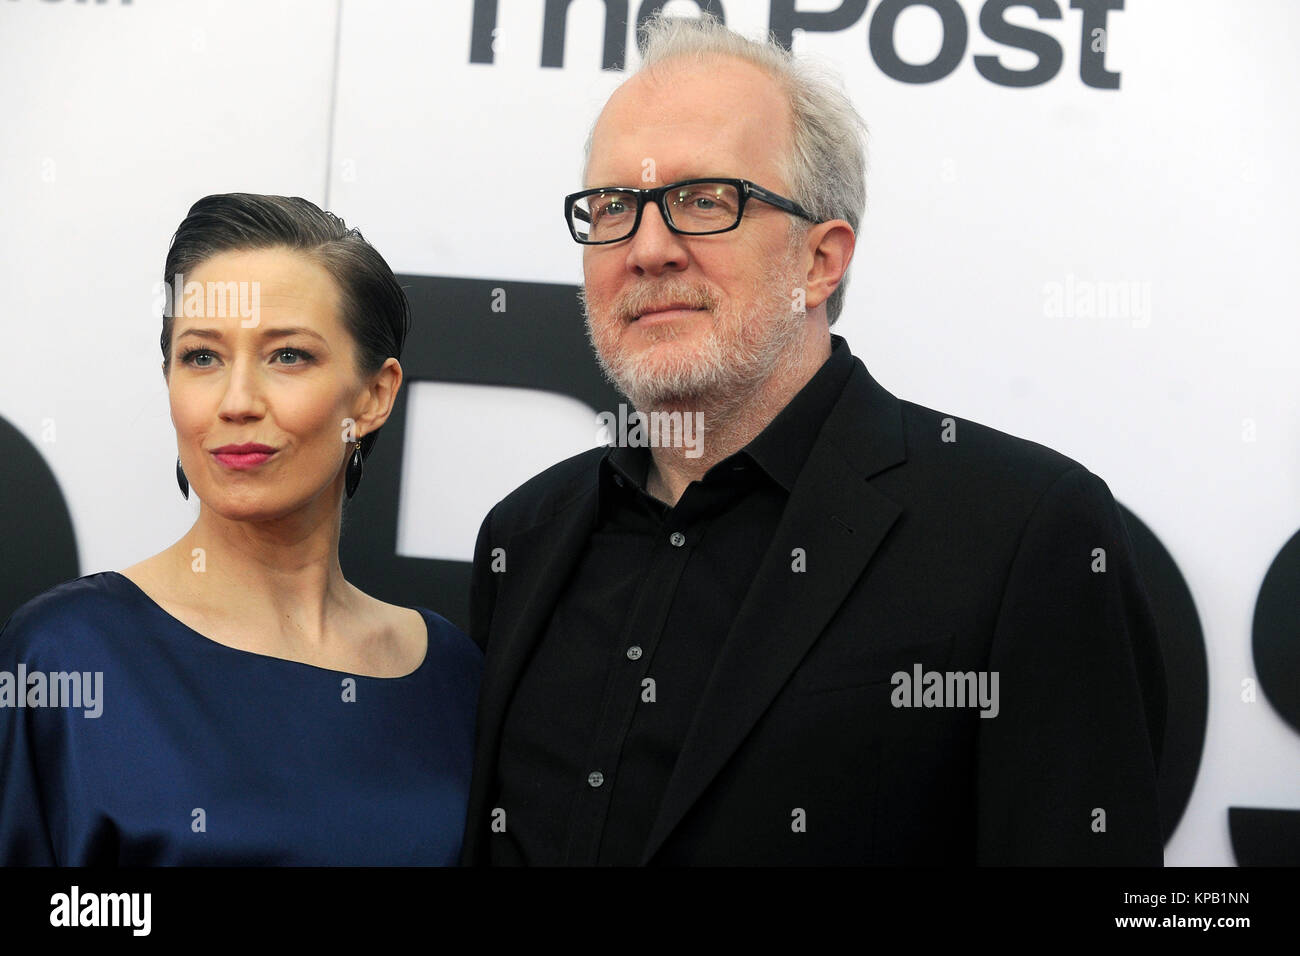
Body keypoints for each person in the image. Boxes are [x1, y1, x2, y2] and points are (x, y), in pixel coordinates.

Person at [461, 14, 1166, 865]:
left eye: (703, 200)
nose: (647, 249)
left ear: (821, 261)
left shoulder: (1023, 532)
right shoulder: (525, 537)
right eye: (613, 207)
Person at [0, 194, 481, 865]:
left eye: (287, 356)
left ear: (374, 395)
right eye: (202, 358)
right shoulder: (68, 653)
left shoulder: (451, 677)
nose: (236, 402)